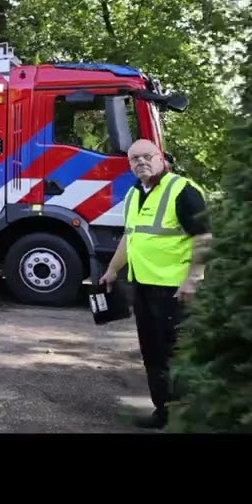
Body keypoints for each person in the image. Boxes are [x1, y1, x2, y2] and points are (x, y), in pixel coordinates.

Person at [99, 138, 212, 429]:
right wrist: (112, 270)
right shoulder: (134, 194)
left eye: (147, 156)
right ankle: (163, 413)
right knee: (152, 352)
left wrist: (194, 278)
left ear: (161, 157)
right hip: (143, 287)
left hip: (174, 290)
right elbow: (130, 236)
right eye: (134, 159)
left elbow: (203, 237)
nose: (141, 163)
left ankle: (188, 415)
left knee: (175, 353)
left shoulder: (183, 190)